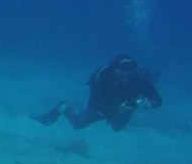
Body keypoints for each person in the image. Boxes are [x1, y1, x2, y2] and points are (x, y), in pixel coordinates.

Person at [32, 54, 163, 131]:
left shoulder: (138, 80)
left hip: (125, 108)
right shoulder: (102, 76)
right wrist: (119, 109)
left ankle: (151, 77)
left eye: (130, 71)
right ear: (115, 68)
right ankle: (63, 107)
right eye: (122, 70)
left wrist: (149, 104)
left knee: (117, 128)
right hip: (99, 108)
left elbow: (158, 100)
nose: (126, 75)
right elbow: (96, 100)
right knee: (78, 124)